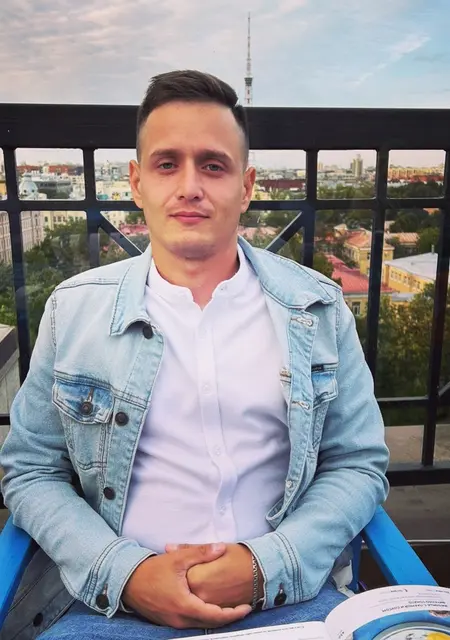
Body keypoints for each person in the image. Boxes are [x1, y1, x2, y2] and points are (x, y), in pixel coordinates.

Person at [0, 69, 389, 640]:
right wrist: (127, 574)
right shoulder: (74, 312)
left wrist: (265, 565)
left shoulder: (319, 308)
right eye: (167, 164)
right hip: (112, 609)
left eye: (212, 165)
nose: (189, 187)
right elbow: (32, 471)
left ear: (246, 186)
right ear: (137, 183)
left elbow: (357, 463)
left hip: (289, 598)